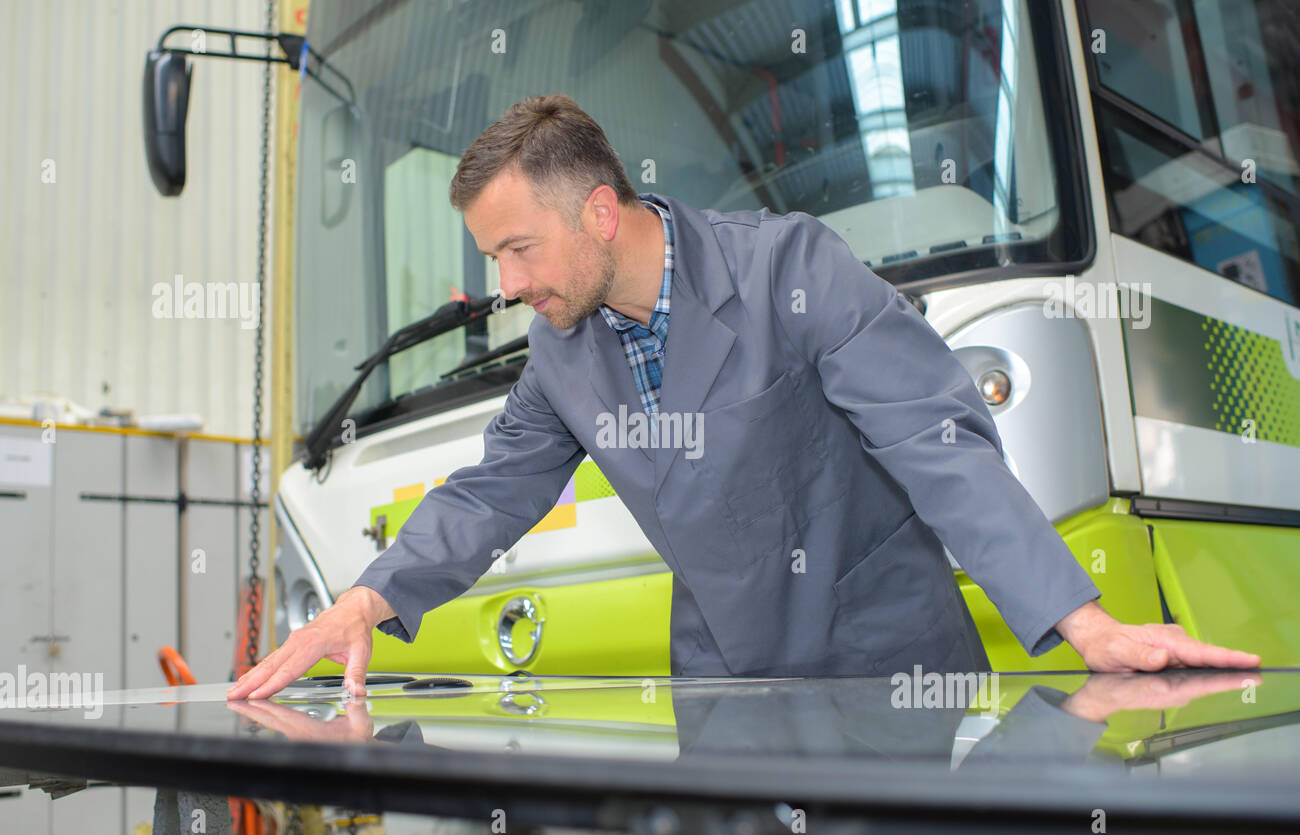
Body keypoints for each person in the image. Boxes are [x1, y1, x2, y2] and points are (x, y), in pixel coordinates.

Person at [228, 95, 1259, 701]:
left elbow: (935, 441)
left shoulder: (790, 270)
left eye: (515, 249)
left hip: (881, 671)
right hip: (724, 688)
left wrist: (1083, 625)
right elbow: (489, 493)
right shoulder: (560, 351)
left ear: (596, 211)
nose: (504, 286)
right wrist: (366, 600)